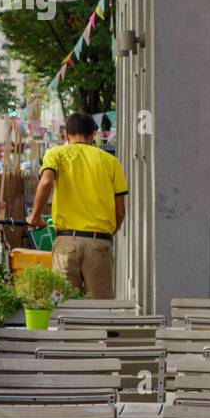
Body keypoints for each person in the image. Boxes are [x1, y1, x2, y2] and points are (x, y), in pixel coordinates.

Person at [26, 112, 127, 299]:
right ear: (92, 135)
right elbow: (120, 210)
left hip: (66, 243)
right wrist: (106, 234)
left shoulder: (55, 154)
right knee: (101, 309)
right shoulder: (110, 162)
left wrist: (35, 217)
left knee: (64, 307)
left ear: (66, 135)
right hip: (99, 241)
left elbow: (46, 182)